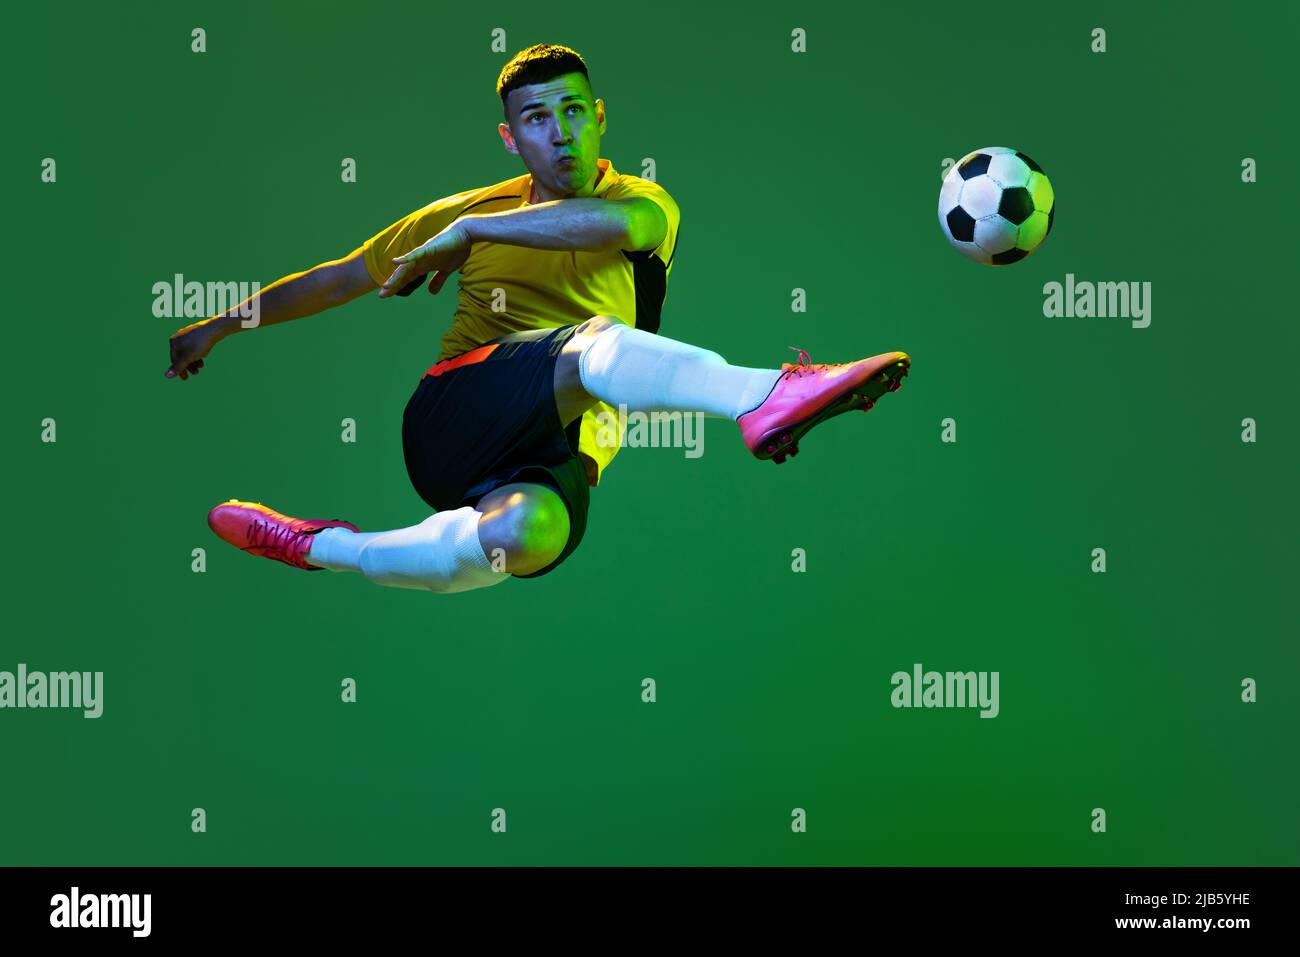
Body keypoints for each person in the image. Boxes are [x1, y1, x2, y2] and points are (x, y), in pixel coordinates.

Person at [165, 43, 910, 594]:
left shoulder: (642, 205)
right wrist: (218, 325)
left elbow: (612, 232)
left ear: (601, 117)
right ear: (510, 138)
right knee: (595, 344)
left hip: (559, 444)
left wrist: (476, 237)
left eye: (576, 111)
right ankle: (764, 394)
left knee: (524, 535)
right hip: (455, 411)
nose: (562, 133)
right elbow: (339, 279)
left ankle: (322, 547)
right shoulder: (467, 210)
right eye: (538, 118)